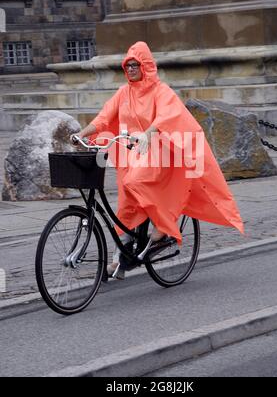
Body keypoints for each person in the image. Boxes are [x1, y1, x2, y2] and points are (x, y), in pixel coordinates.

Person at [71, 41, 244, 279]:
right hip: (134, 153)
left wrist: (149, 133)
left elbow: (167, 117)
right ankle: (119, 260)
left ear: (146, 66)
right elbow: (104, 117)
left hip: (160, 153)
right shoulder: (124, 93)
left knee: (136, 181)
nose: (130, 68)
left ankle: (163, 228)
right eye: (127, 64)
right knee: (126, 206)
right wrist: (82, 133)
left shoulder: (161, 92)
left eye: (135, 64)